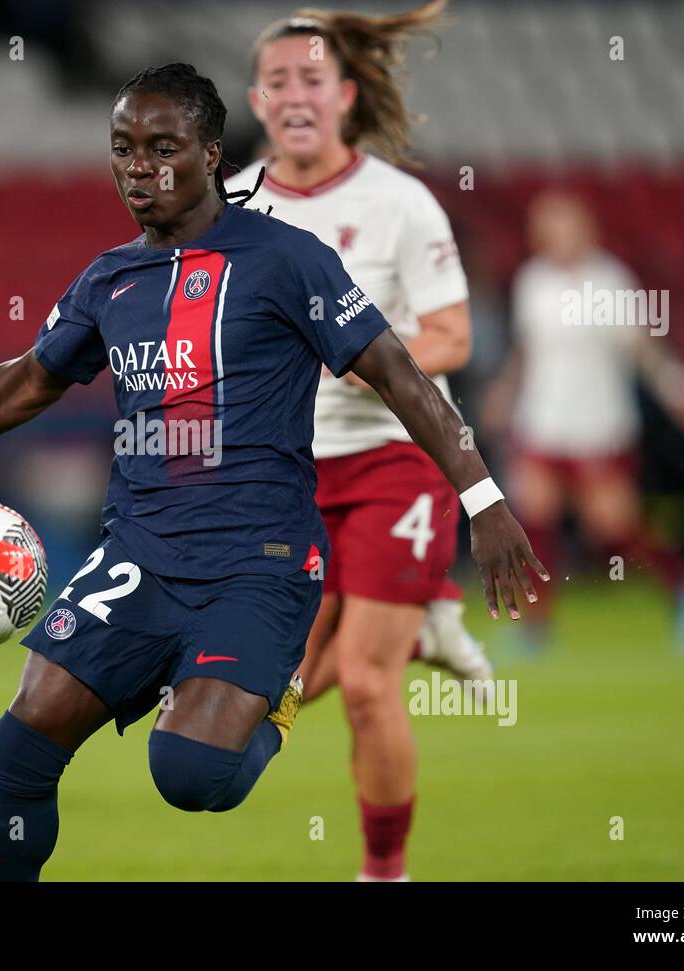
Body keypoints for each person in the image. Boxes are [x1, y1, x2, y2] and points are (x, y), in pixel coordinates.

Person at [0, 63, 545, 881]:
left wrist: (484, 499)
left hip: (257, 567)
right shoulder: (110, 277)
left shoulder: (286, 259)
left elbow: (403, 376)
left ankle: (284, 687)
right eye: (124, 148)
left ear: (213, 155)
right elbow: (29, 378)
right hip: (142, 555)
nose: (140, 167)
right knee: (25, 732)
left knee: (190, 777)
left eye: (164, 148)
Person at [229, 1, 487, 881]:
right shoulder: (228, 207)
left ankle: (385, 872)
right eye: (279, 80)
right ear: (257, 101)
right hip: (283, 474)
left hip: (397, 458)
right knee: (284, 678)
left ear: (343, 94)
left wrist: (366, 359)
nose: (296, 93)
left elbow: (453, 336)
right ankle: (419, 618)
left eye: (313, 77)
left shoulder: (400, 204)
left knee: (367, 688)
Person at [482, 188, 684, 652]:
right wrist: (504, 395)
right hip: (544, 420)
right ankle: (535, 625)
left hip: (599, 424)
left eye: (564, 224)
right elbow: (528, 351)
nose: (556, 235)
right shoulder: (534, 281)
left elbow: (643, 348)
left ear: (585, 229)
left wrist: (679, 391)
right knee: (533, 518)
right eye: (547, 226)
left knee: (613, 528)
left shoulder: (610, 282)